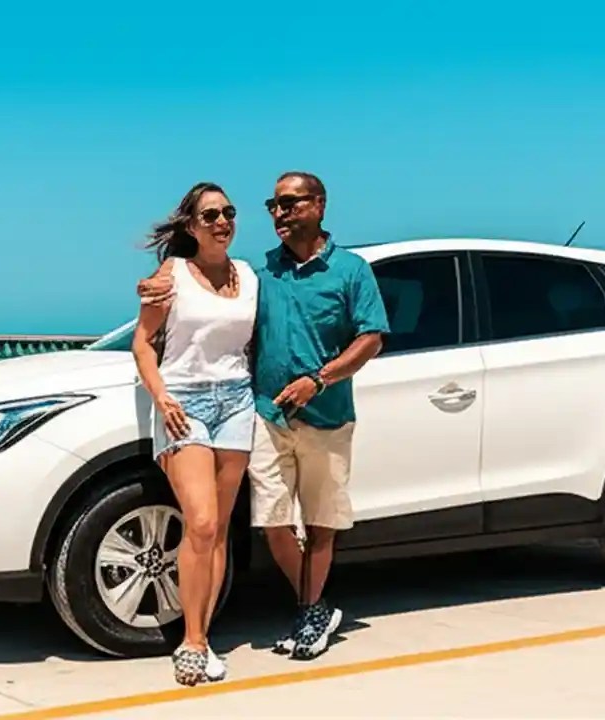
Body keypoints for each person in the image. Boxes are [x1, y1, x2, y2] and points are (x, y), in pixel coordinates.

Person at [138, 171, 389, 660]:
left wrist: (320, 379)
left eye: (291, 203)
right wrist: (158, 278)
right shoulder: (260, 273)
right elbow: (199, 301)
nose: (279, 213)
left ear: (319, 205)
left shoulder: (353, 270)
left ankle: (308, 611)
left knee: (319, 525)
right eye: (273, 205)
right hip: (265, 415)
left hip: (329, 415)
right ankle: (311, 608)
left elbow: (372, 339)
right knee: (271, 522)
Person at [130, 181, 259, 686]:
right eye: (209, 216)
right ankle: (192, 640)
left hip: (236, 402)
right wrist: (161, 396)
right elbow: (143, 344)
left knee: (220, 528)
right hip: (186, 404)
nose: (222, 222)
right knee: (201, 522)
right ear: (190, 226)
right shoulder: (172, 275)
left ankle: (204, 634)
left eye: (228, 212)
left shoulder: (248, 276)